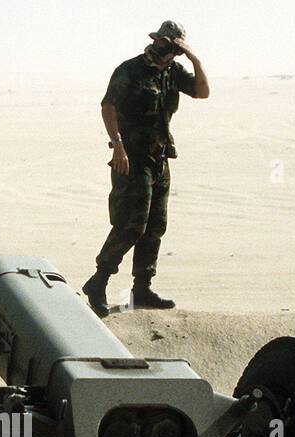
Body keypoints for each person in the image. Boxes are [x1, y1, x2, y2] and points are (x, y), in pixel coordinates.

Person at [82, 20, 210, 317]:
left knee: (155, 225)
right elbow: (108, 106)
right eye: (162, 42)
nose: (164, 49)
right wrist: (118, 145)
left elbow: (202, 92)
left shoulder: (173, 72)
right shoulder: (130, 70)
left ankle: (142, 288)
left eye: (172, 46)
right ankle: (98, 281)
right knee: (131, 224)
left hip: (159, 158)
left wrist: (194, 58)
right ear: (155, 40)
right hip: (131, 159)